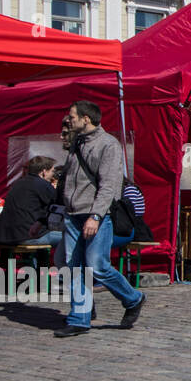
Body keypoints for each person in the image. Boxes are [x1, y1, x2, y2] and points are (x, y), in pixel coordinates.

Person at [54, 101, 146, 337]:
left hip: (95, 214)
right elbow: (67, 181)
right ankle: (80, 319)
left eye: (72, 116)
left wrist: (95, 215)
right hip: (73, 214)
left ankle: (133, 298)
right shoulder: (77, 143)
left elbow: (109, 185)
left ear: (86, 118)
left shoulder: (108, 145)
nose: (69, 120)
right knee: (75, 268)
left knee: (97, 266)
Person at [0, 156, 62, 247]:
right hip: (27, 236)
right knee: (73, 237)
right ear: (44, 171)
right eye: (52, 171)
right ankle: (49, 261)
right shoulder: (43, 185)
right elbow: (59, 205)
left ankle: (22, 261)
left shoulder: (17, 183)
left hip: (6, 236)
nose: (53, 174)